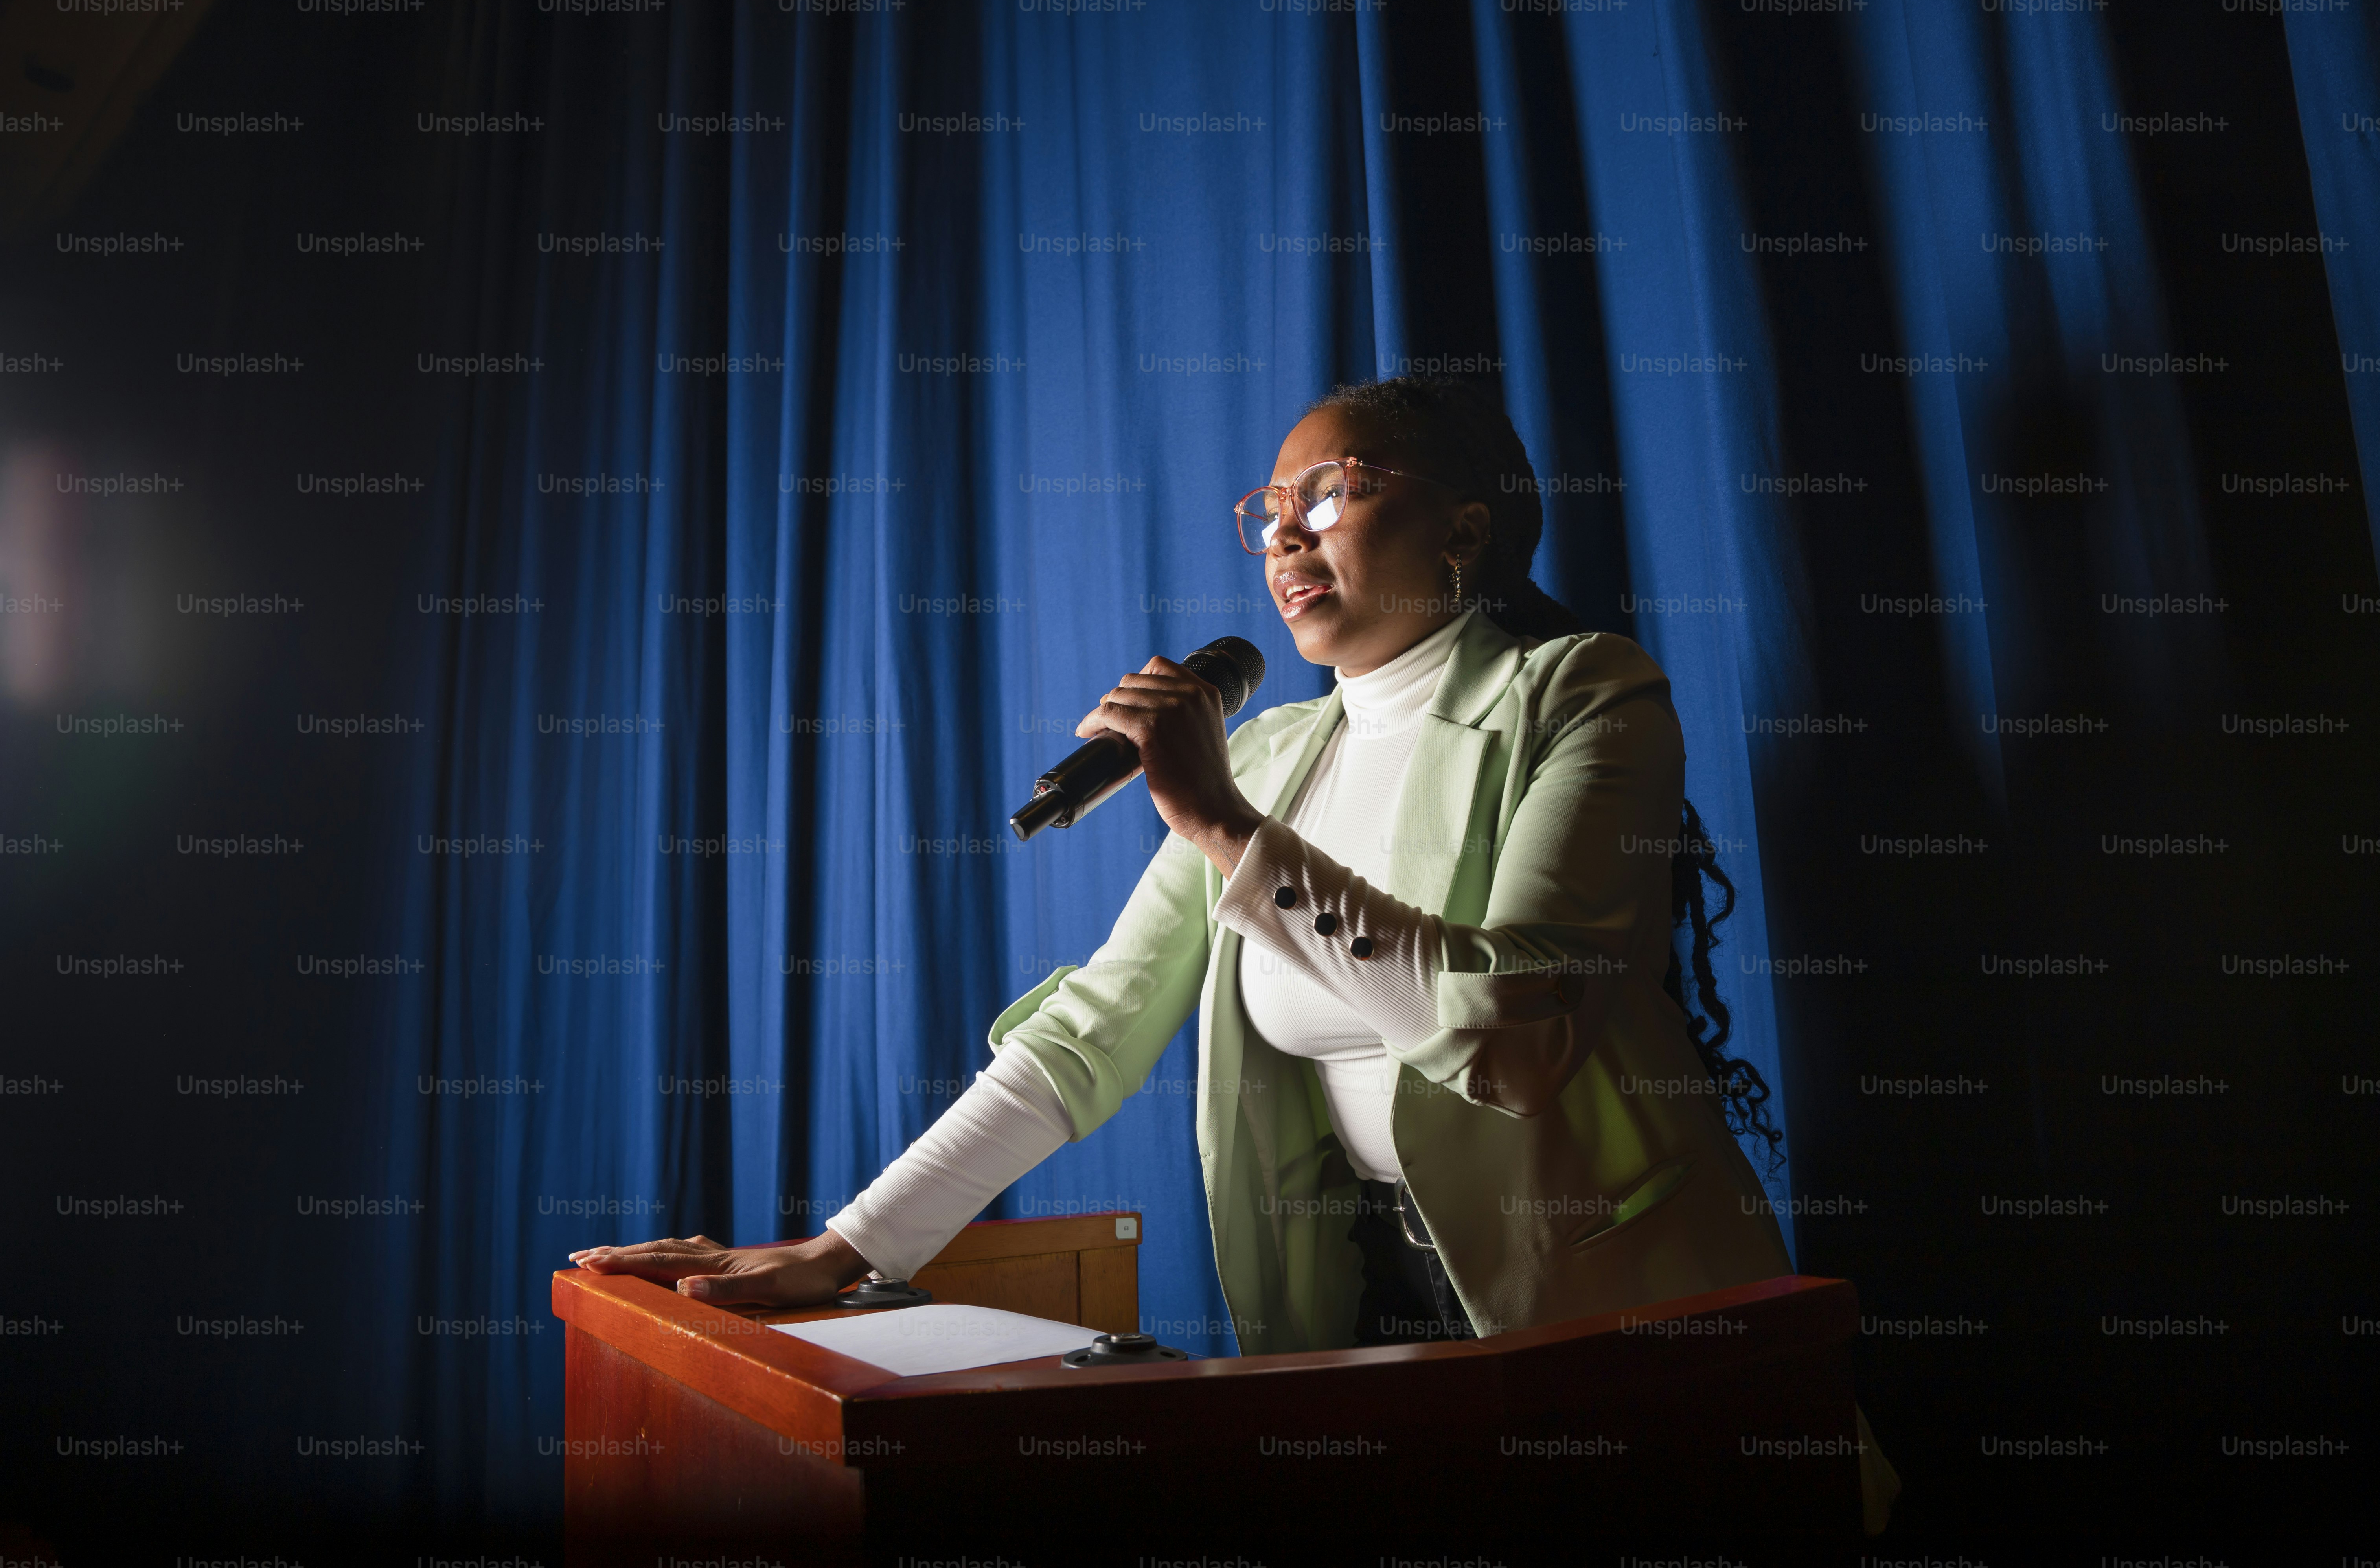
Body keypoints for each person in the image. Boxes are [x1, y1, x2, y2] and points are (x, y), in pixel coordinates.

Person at [572, 375, 1898, 1531]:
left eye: (1328, 492)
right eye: (1266, 509)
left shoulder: (1584, 692)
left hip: (1601, 1305)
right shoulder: (1269, 753)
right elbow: (1088, 1033)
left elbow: (1515, 1035)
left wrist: (1217, 821)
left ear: (1464, 528)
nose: (1284, 532)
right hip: (1363, 1294)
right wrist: (848, 1247)